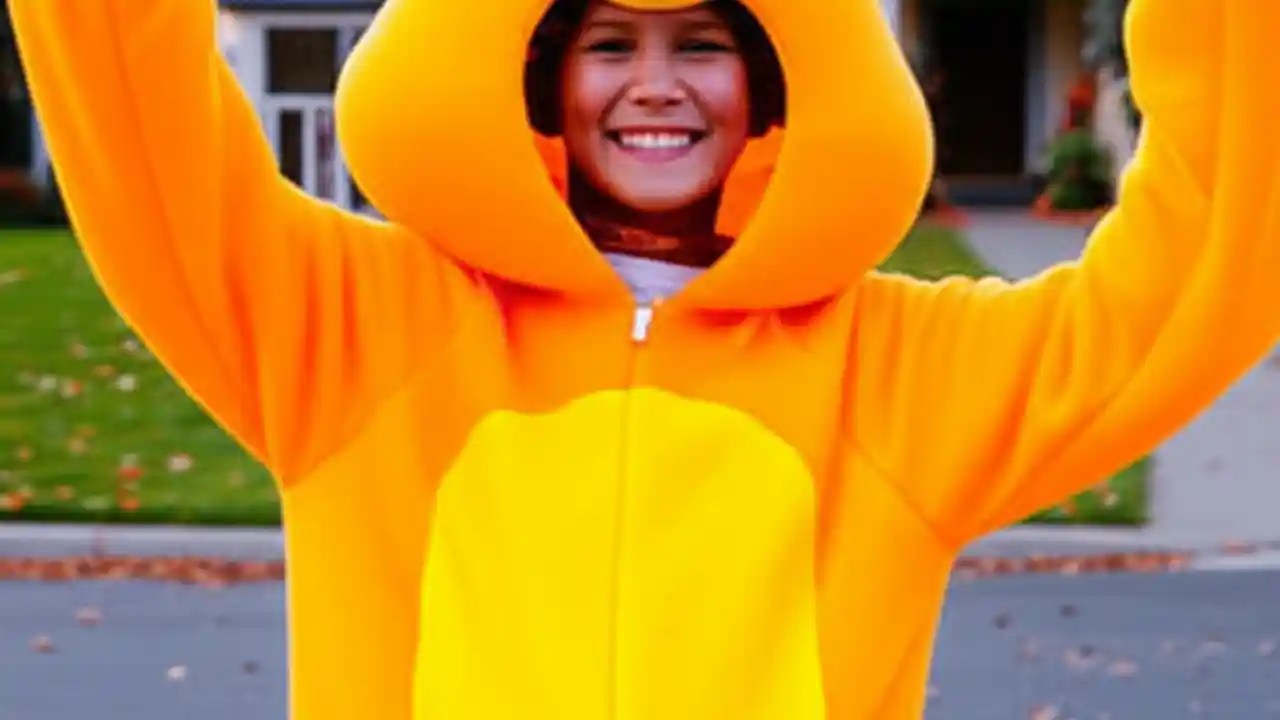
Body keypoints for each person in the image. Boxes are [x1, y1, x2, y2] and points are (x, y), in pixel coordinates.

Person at [10, 0, 1280, 717]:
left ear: (775, 81)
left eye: (702, 44)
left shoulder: (897, 373)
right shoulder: (356, 331)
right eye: (610, 44)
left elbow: (1194, 279)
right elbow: (145, 133)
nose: (654, 86)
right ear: (538, 77)